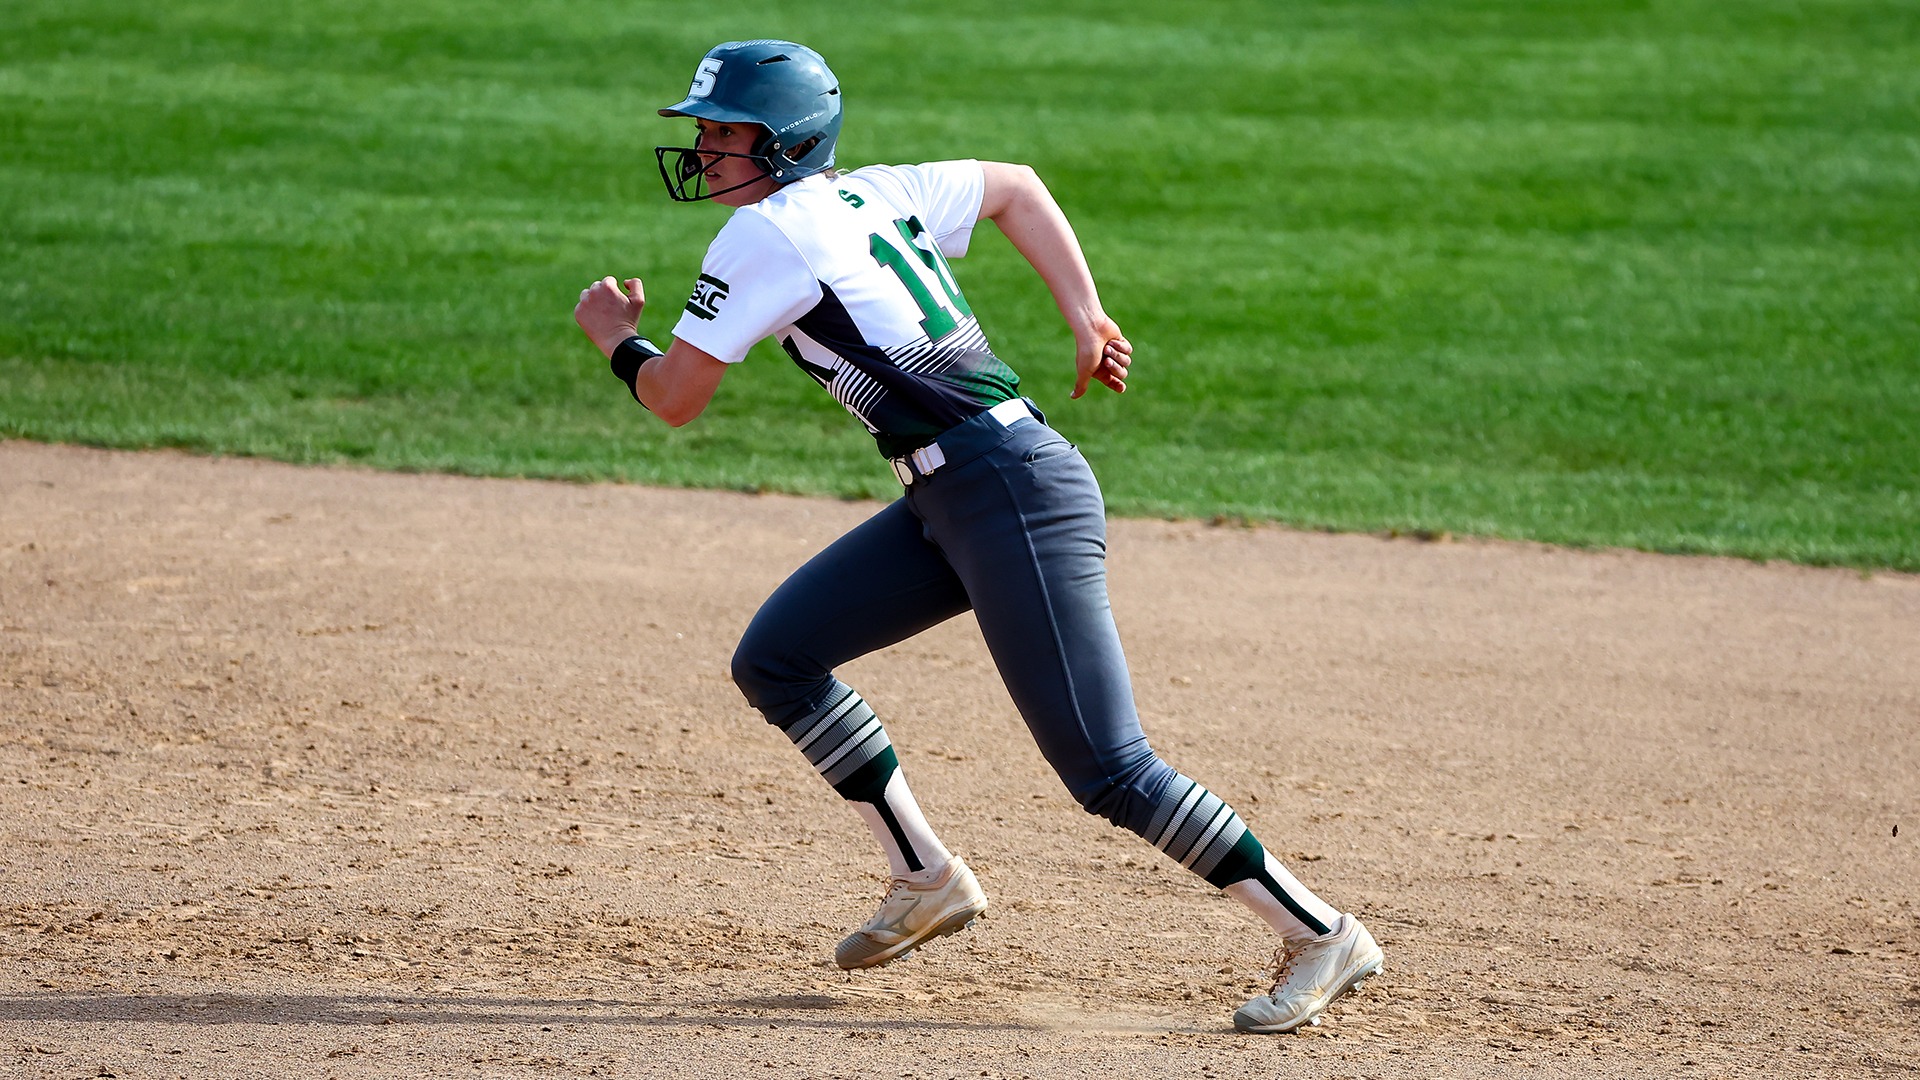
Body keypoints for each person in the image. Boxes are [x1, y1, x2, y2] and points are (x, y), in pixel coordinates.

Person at [573, 39, 1381, 1034]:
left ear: (783, 143)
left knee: (1109, 769)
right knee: (778, 659)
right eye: (701, 129)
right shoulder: (879, 190)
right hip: (955, 497)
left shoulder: (760, 238)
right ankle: (926, 876)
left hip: (1007, 495)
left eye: (721, 129)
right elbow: (1018, 187)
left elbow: (675, 398)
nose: (702, 148)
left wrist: (618, 341)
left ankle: (1318, 931)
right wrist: (1085, 314)